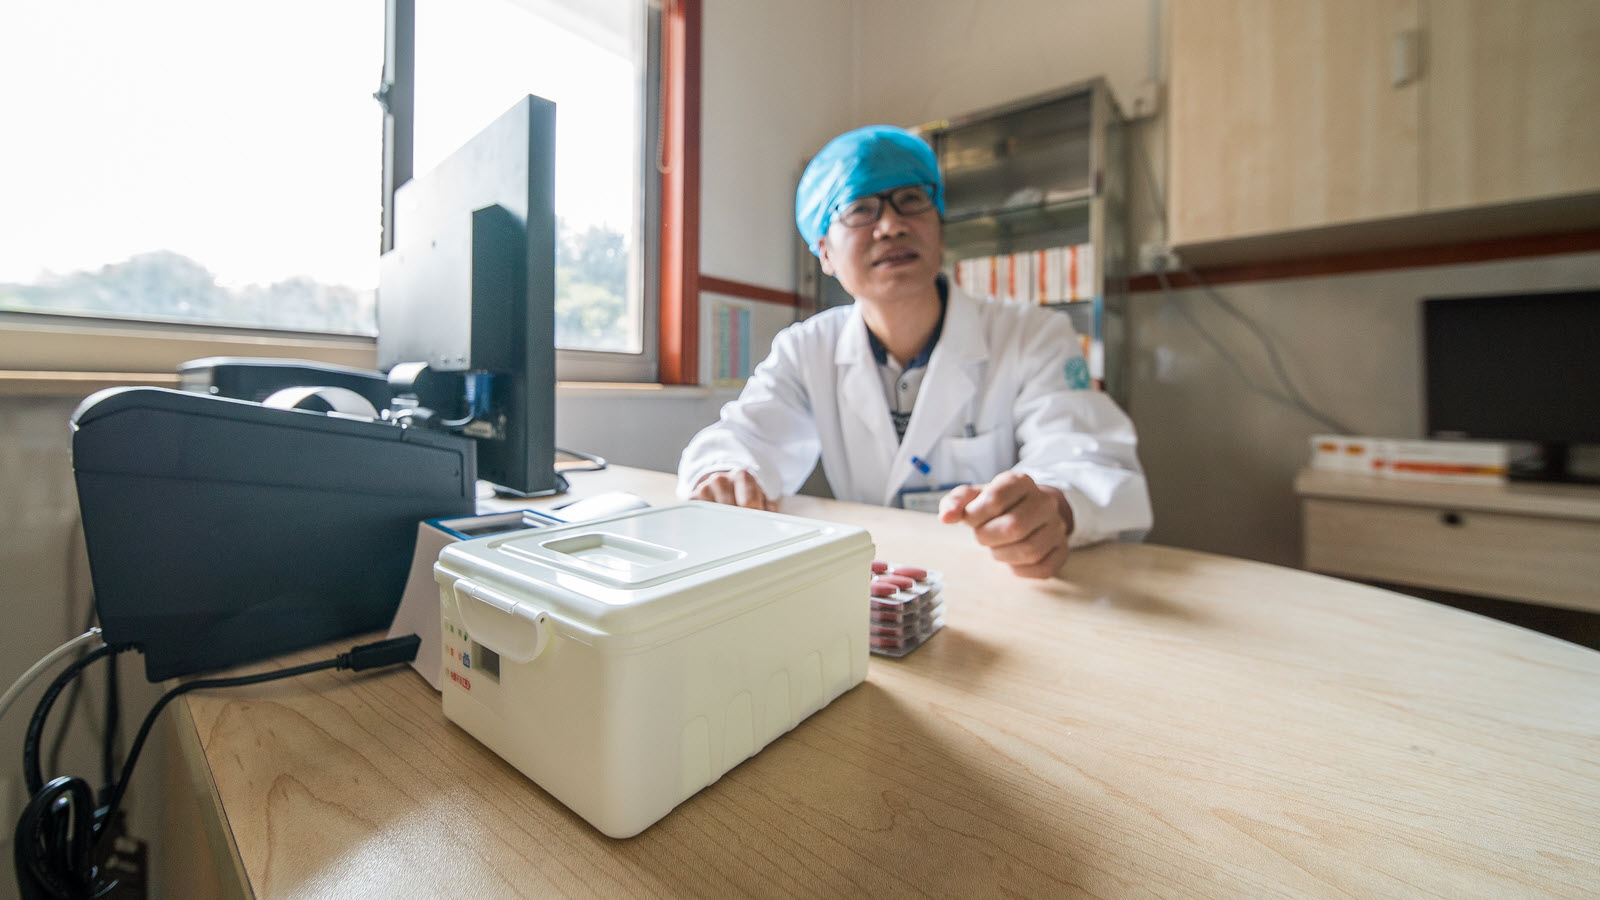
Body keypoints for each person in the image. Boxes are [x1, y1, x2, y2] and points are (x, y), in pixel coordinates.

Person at [677, 125, 1152, 578]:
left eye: (911, 200)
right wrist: (724, 473)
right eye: (860, 208)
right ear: (823, 252)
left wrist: (1055, 504)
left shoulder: (1033, 334)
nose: (890, 225)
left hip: (1003, 581)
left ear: (940, 229)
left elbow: (1087, 458)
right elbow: (745, 438)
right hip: (875, 587)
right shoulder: (806, 349)